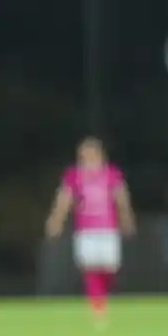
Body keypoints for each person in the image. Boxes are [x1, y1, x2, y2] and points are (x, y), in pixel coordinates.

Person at [45, 137, 135, 321]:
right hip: (86, 229)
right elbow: (64, 199)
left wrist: (126, 218)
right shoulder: (74, 175)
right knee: (89, 268)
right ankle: (97, 307)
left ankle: (103, 296)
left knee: (109, 267)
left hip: (108, 228)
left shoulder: (111, 174)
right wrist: (56, 220)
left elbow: (121, 198)